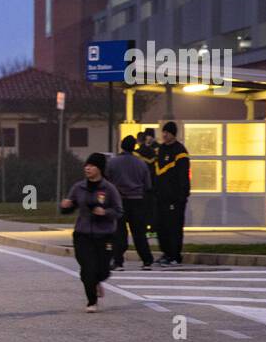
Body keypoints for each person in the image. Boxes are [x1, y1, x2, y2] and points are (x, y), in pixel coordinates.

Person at [59, 153, 124, 312]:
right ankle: (91, 302)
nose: (87, 168)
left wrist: (105, 212)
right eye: (86, 165)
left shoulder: (109, 189)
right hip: (83, 234)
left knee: (103, 270)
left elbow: (119, 211)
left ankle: (97, 281)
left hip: (105, 235)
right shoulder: (78, 187)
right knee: (87, 268)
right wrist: (65, 206)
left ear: (99, 169)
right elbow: (69, 208)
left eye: (92, 165)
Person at [106, 136, 154, 270]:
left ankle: (118, 261)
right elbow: (148, 185)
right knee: (139, 232)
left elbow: (107, 180)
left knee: (119, 232)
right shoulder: (141, 163)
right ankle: (147, 260)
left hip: (119, 201)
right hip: (137, 201)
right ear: (134, 147)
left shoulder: (113, 163)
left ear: (122, 146)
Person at [152, 121, 190, 266]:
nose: (164, 135)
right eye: (163, 132)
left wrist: (182, 196)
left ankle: (175, 255)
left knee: (174, 227)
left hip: (175, 198)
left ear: (173, 134)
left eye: (167, 132)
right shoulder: (160, 150)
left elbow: (183, 176)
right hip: (160, 197)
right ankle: (166, 253)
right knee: (160, 226)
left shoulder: (180, 152)